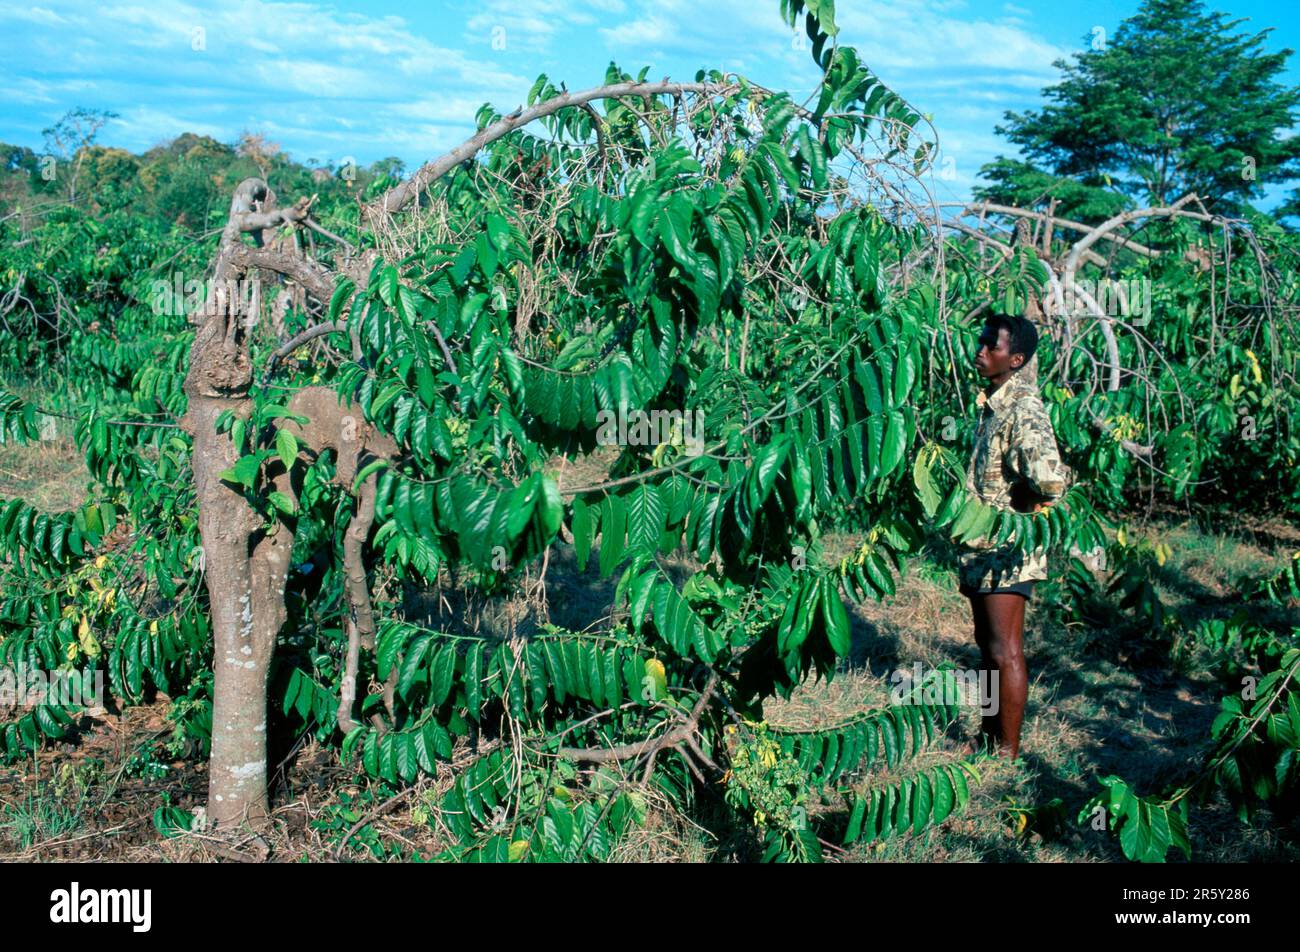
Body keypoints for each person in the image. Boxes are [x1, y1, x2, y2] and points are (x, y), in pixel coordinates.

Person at [959, 313, 1069, 761]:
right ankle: (989, 738)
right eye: (981, 341)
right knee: (987, 647)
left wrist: (1025, 505)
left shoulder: (1023, 406)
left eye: (993, 346)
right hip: (982, 548)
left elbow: (1050, 479)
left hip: (1007, 548)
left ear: (1016, 359)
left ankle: (1006, 752)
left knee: (1005, 650)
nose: (981, 351)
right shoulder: (995, 401)